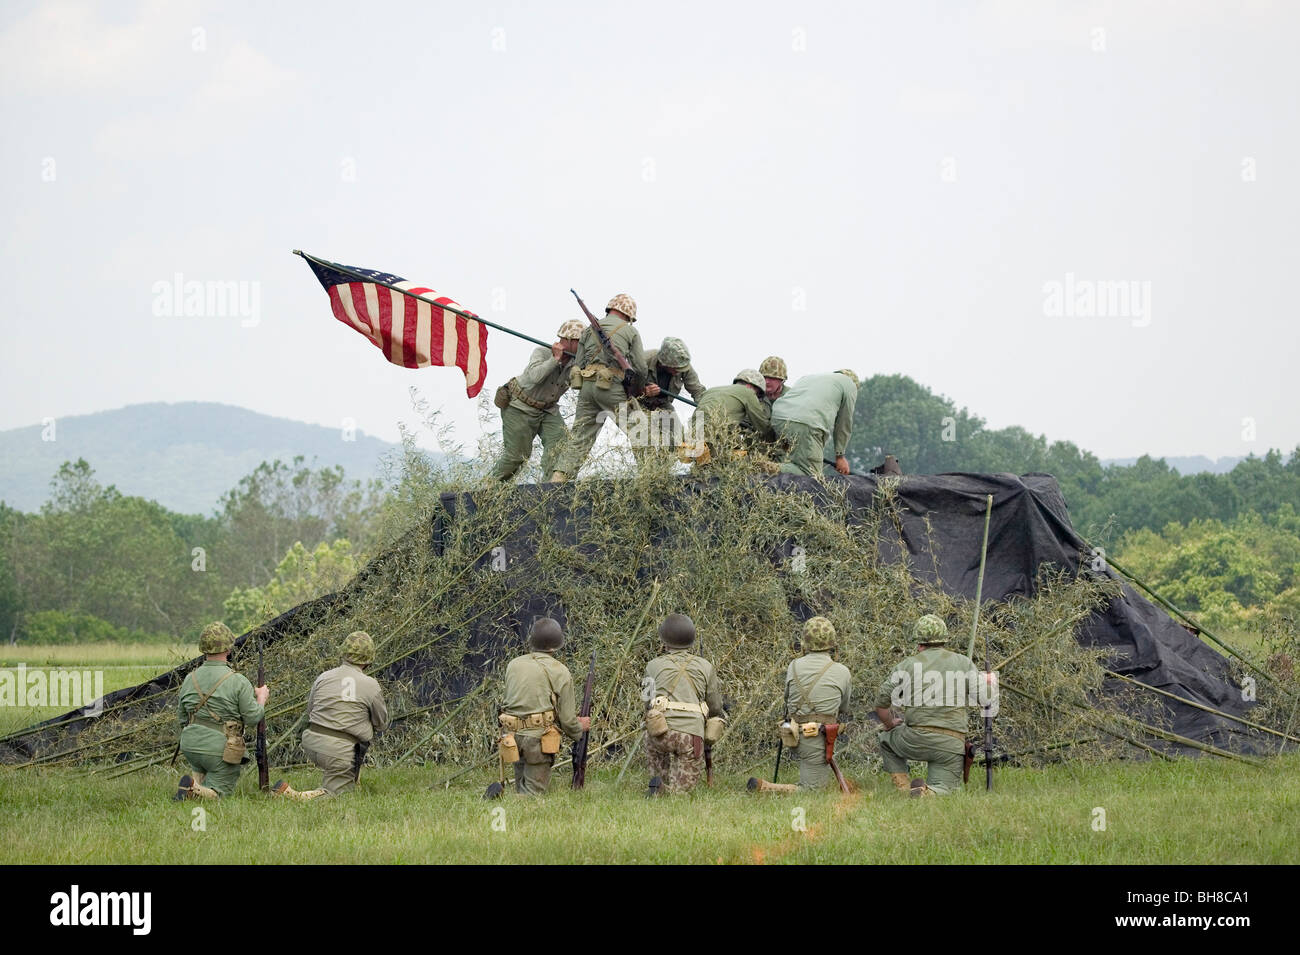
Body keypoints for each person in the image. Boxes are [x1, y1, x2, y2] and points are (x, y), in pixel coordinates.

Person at [273, 631, 389, 801]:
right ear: (369, 659)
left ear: (343, 653)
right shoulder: (371, 685)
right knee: (339, 797)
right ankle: (291, 795)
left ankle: (348, 776)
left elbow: (310, 711)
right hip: (339, 751)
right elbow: (381, 724)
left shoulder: (323, 677)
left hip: (311, 743)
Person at [873, 614, 979, 796]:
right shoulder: (964, 663)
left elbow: (881, 703)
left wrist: (890, 725)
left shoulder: (907, 665)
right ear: (945, 639)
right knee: (945, 789)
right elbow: (985, 699)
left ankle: (904, 789)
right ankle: (927, 794)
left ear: (919, 643)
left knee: (886, 740)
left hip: (914, 740)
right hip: (950, 743)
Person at [550, 294, 648, 482]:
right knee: (640, 432)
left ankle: (557, 481)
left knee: (579, 439)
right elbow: (641, 368)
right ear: (629, 315)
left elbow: (579, 363)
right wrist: (639, 389)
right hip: (611, 388)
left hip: (587, 389)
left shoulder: (588, 330)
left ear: (610, 309)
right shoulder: (630, 332)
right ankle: (649, 479)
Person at [750, 616, 852, 793]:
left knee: (815, 770)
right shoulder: (842, 671)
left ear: (805, 642)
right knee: (814, 790)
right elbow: (843, 708)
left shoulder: (794, 665)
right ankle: (765, 788)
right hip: (816, 738)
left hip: (792, 733)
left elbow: (787, 698)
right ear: (833, 644)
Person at [491, 618, 590, 796]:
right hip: (537, 739)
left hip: (512, 737)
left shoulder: (514, 665)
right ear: (555, 647)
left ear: (532, 641)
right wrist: (579, 729)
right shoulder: (560, 671)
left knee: (521, 784)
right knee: (533, 795)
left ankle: (512, 802)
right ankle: (507, 804)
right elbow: (567, 720)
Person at [174, 622, 268, 801]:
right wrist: (261, 699)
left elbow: (182, 718)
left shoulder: (189, 678)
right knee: (219, 795)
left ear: (203, 649)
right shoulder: (238, 681)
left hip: (190, 745)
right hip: (220, 749)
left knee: (203, 770)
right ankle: (195, 790)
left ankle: (194, 786)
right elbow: (253, 717)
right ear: (229, 648)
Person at [490, 320, 585, 482]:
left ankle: (550, 489)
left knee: (560, 446)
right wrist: (555, 359)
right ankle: (488, 490)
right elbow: (535, 376)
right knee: (516, 456)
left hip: (548, 410)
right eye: (580, 343)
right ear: (569, 341)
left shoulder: (576, 362)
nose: (583, 346)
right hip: (520, 406)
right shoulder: (542, 352)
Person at [642, 614, 725, 796]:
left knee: (651, 739)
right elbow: (715, 707)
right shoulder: (706, 666)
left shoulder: (652, 666)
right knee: (682, 793)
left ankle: (659, 783)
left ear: (664, 641)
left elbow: (647, 702)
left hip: (660, 733)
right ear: (691, 641)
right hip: (691, 736)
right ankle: (670, 790)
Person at [771, 370, 860, 476]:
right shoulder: (849, 384)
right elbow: (844, 423)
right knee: (812, 475)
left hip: (778, 418)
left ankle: (767, 467)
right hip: (806, 423)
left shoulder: (810, 377)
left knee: (785, 460)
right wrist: (840, 456)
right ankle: (766, 468)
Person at [686, 369, 776, 464]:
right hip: (717, 431)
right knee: (739, 463)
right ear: (750, 386)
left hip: (695, 431)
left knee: (705, 463)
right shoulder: (748, 392)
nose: (756, 397)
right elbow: (761, 424)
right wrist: (774, 442)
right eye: (758, 394)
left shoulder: (712, 390)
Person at [639, 336, 706, 449]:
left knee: (678, 441)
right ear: (664, 363)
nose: (678, 371)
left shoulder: (683, 365)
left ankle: (667, 460)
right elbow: (623, 386)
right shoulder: (643, 361)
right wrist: (643, 391)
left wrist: (707, 408)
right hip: (638, 404)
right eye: (675, 368)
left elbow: (698, 391)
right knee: (644, 441)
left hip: (662, 404)